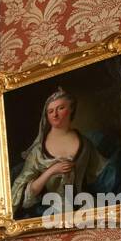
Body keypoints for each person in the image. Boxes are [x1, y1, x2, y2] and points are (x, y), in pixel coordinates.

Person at [10, 86, 109, 218]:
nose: (55, 114)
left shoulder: (85, 144)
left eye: (60, 108)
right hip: (47, 213)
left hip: (82, 210)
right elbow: (22, 191)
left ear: (71, 109)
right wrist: (51, 171)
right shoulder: (38, 151)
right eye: (50, 111)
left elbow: (100, 175)